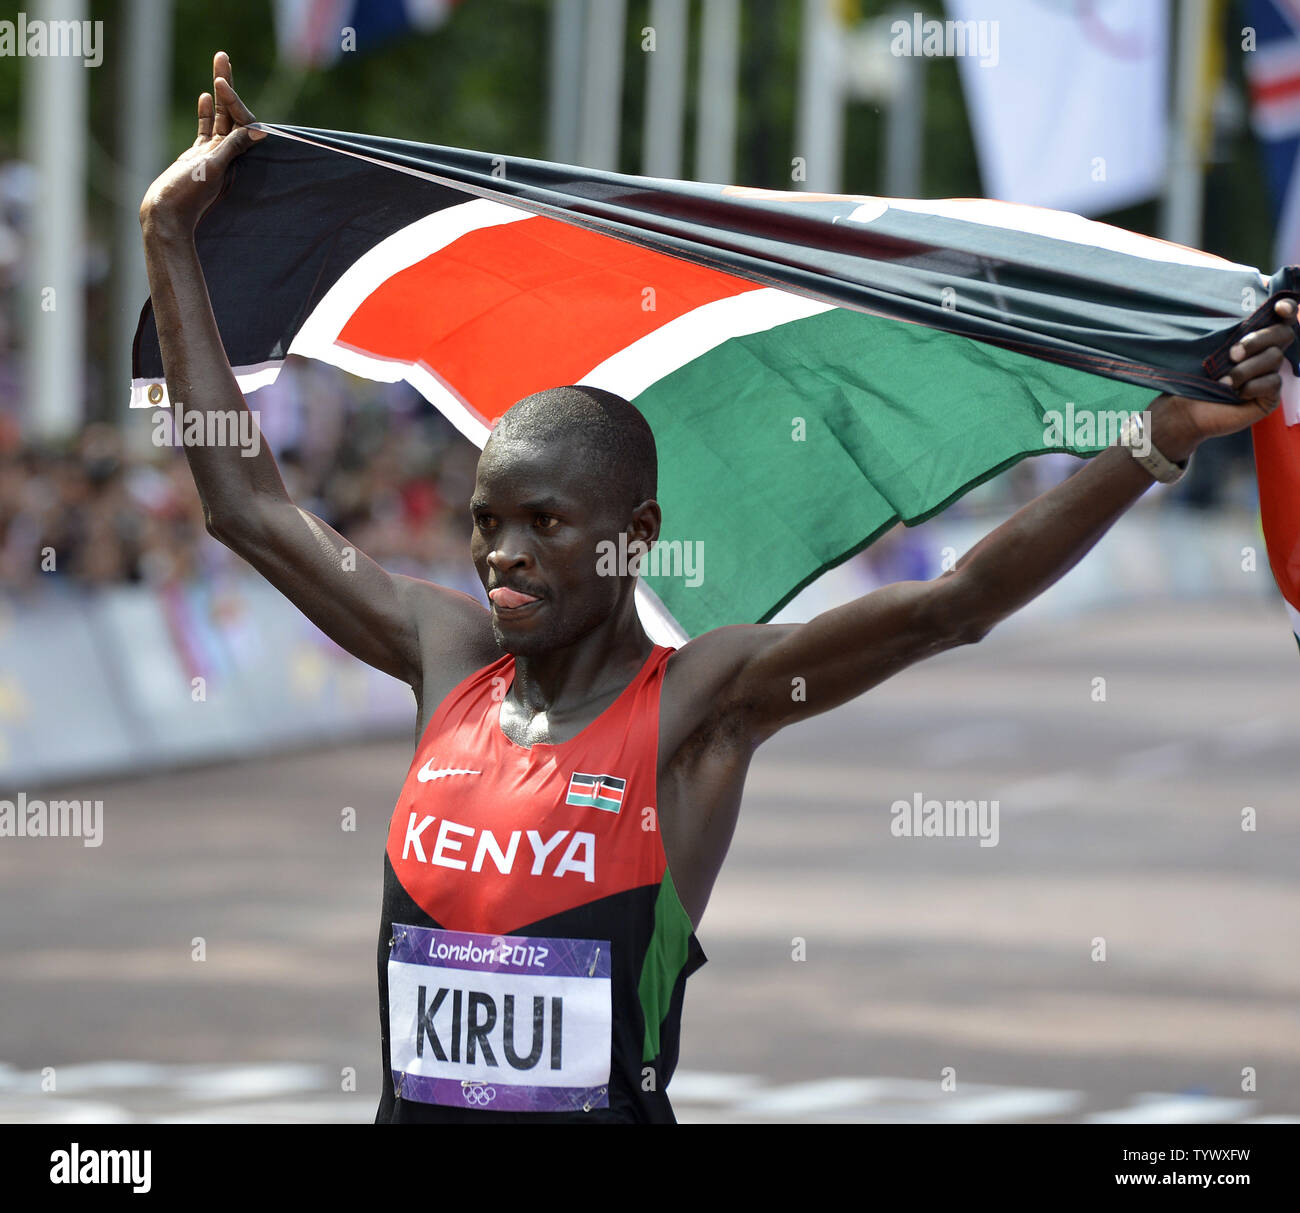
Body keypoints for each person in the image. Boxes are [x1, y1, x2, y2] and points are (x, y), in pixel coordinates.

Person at [139, 52, 1297, 1124]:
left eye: (545, 524)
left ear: (635, 534)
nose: (502, 553)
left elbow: (957, 602)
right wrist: (171, 240)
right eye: (489, 522)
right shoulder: (445, 659)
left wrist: (1155, 437)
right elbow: (248, 506)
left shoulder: (701, 705)